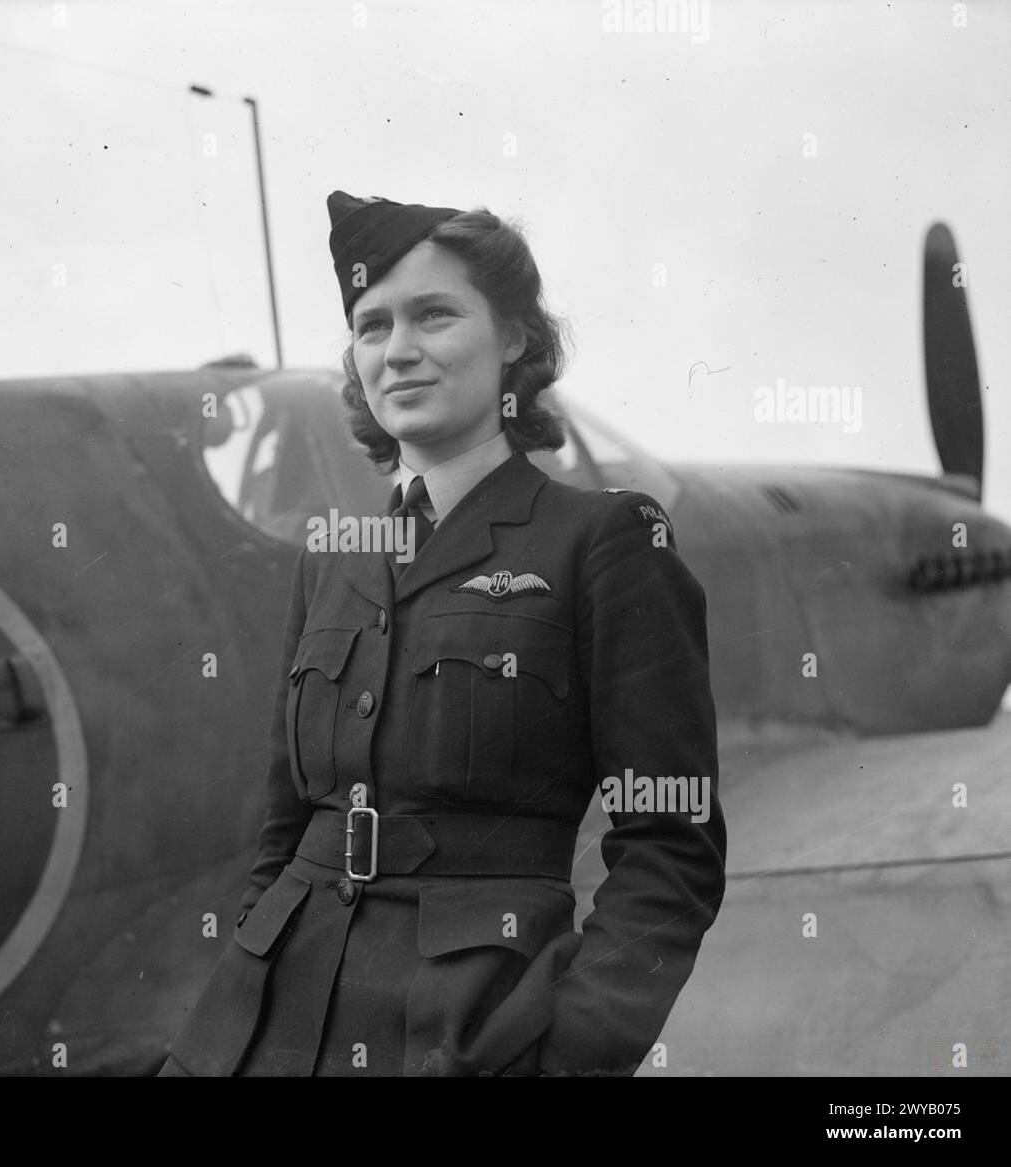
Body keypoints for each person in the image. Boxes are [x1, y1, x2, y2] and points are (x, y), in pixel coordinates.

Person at [158, 189, 726, 1076]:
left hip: (466, 1032)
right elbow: (286, 822)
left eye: (434, 314)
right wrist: (252, 951)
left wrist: (569, 1049)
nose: (400, 351)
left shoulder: (603, 540)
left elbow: (670, 847)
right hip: (257, 1025)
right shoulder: (334, 556)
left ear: (514, 341)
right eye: (372, 324)